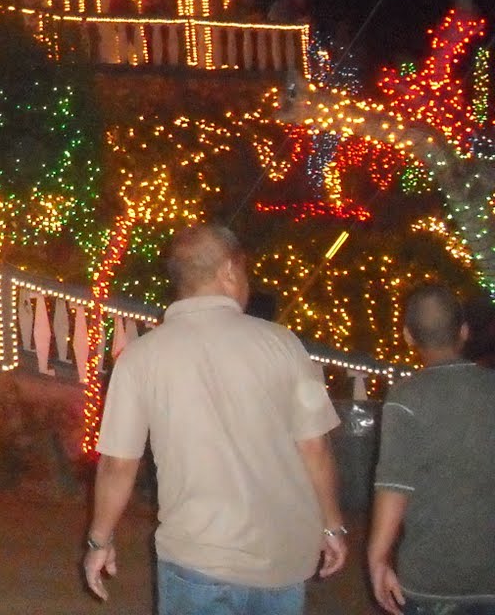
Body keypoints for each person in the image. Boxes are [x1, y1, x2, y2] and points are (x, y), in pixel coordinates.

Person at [84, 224, 346, 613]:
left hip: (198, 558)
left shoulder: (141, 357)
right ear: (227, 271)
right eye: (244, 272)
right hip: (281, 562)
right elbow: (315, 447)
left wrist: (99, 541)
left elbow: (118, 465)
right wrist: (332, 525)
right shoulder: (283, 345)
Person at [368, 284, 495, 615]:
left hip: (431, 579)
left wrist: (378, 557)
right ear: (464, 331)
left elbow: (394, 486)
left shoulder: (406, 398)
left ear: (408, 336)